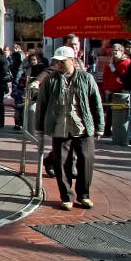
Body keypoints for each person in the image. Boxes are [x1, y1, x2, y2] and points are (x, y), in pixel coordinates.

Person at [35, 46, 104, 210]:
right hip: (59, 127)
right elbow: (41, 105)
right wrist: (40, 127)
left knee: (86, 162)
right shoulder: (51, 80)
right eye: (56, 61)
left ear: (72, 61)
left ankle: (84, 195)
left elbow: (96, 103)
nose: (58, 64)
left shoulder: (86, 78)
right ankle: (66, 196)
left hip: (82, 127)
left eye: (62, 61)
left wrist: (99, 126)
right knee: (61, 163)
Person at [100, 43, 129, 138]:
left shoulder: (127, 62)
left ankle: (120, 131)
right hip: (111, 91)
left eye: (116, 50)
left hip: (122, 91)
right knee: (109, 112)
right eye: (113, 50)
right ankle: (107, 131)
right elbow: (105, 77)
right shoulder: (110, 63)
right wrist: (106, 88)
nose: (114, 52)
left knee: (121, 112)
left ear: (121, 51)